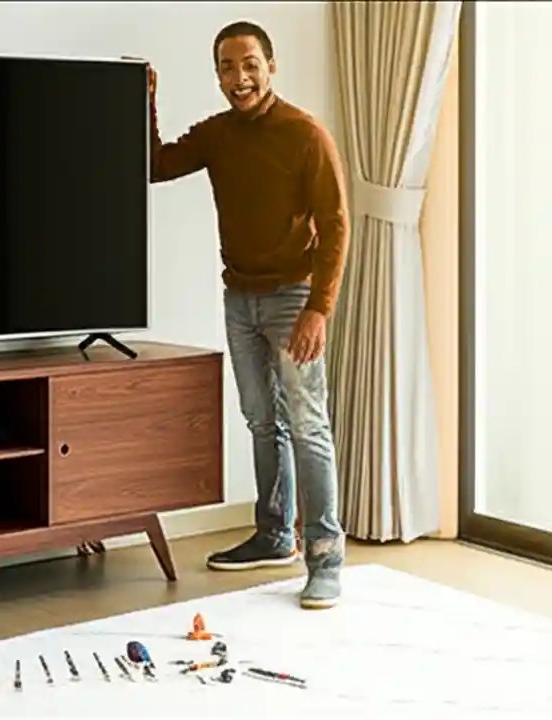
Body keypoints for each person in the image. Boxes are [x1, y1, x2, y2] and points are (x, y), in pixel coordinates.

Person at [144, 20, 350, 609]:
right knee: (263, 420)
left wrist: (319, 309)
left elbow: (336, 226)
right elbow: (155, 165)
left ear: (271, 65)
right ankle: (274, 532)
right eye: (228, 68)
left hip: (293, 298)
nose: (240, 78)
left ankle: (326, 555)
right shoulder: (218, 135)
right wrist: (147, 99)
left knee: (308, 425)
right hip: (240, 297)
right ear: (218, 76)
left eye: (250, 64)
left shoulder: (305, 134)